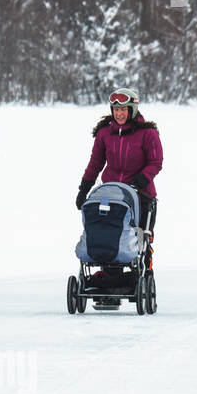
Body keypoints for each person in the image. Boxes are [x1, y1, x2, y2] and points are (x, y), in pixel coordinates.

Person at [76, 87, 163, 296]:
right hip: (112, 194)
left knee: (139, 239)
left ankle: (141, 275)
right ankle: (108, 281)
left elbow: (155, 162)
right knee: (109, 234)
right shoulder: (105, 134)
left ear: (132, 109)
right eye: (116, 110)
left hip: (141, 196)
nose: (119, 114)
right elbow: (95, 163)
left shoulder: (147, 134)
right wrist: (84, 189)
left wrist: (140, 180)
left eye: (123, 109)